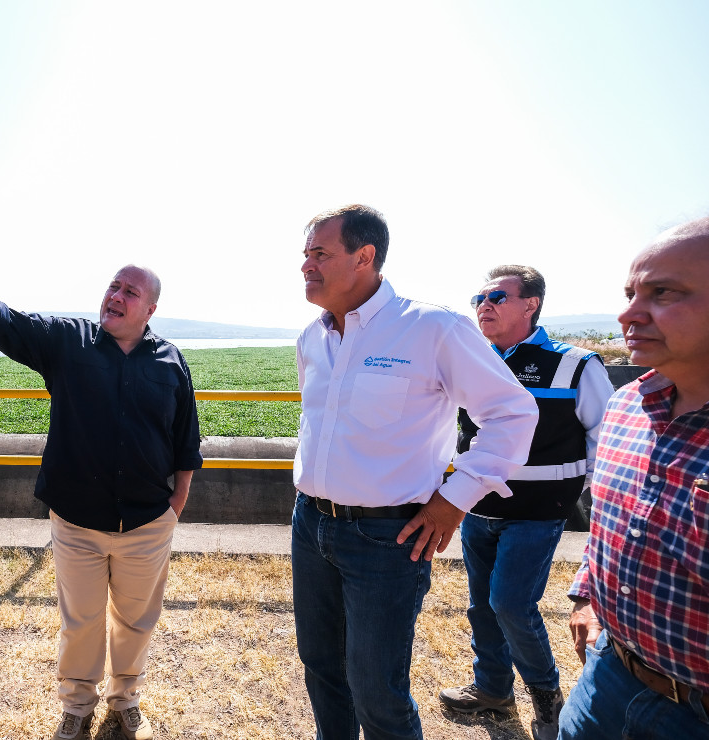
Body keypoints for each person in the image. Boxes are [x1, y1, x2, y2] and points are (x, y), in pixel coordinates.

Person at [0, 244, 201, 740]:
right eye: (113, 285)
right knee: (81, 621)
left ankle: (125, 697)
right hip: (76, 523)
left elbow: (185, 443)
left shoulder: (170, 362)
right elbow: (0, 319)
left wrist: (175, 507)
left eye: (130, 291)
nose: (116, 295)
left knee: (137, 621)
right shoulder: (69, 342)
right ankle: (77, 705)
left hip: (147, 523)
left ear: (150, 309)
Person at [291, 205, 538, 740]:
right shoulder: (312, 338)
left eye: (319, 254)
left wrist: (454, 499)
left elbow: (513, 413)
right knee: (321, 667)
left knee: (376, 688)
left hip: (388, 534)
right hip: (309, 523)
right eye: (305, 254)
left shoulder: (432, 328)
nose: (305, 265)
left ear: (364, 256)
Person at [438, 265, 613, 740]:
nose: (484, 305)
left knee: (511, 603)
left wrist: (589, 499)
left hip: (538, 511)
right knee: (481, 605)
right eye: (479, 296)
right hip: (479, 507)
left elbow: (607, 436)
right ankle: (492, 689)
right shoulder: (473, 358)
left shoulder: (576, 364)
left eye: (497, 296)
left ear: (531, 303)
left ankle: (547, 696)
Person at [558, 218, 709, 738]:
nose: (627, 314)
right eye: (630, 292)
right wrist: (585, 594)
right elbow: (613, 517)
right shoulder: (626, 405)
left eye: (663, 292)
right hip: (609, 675)